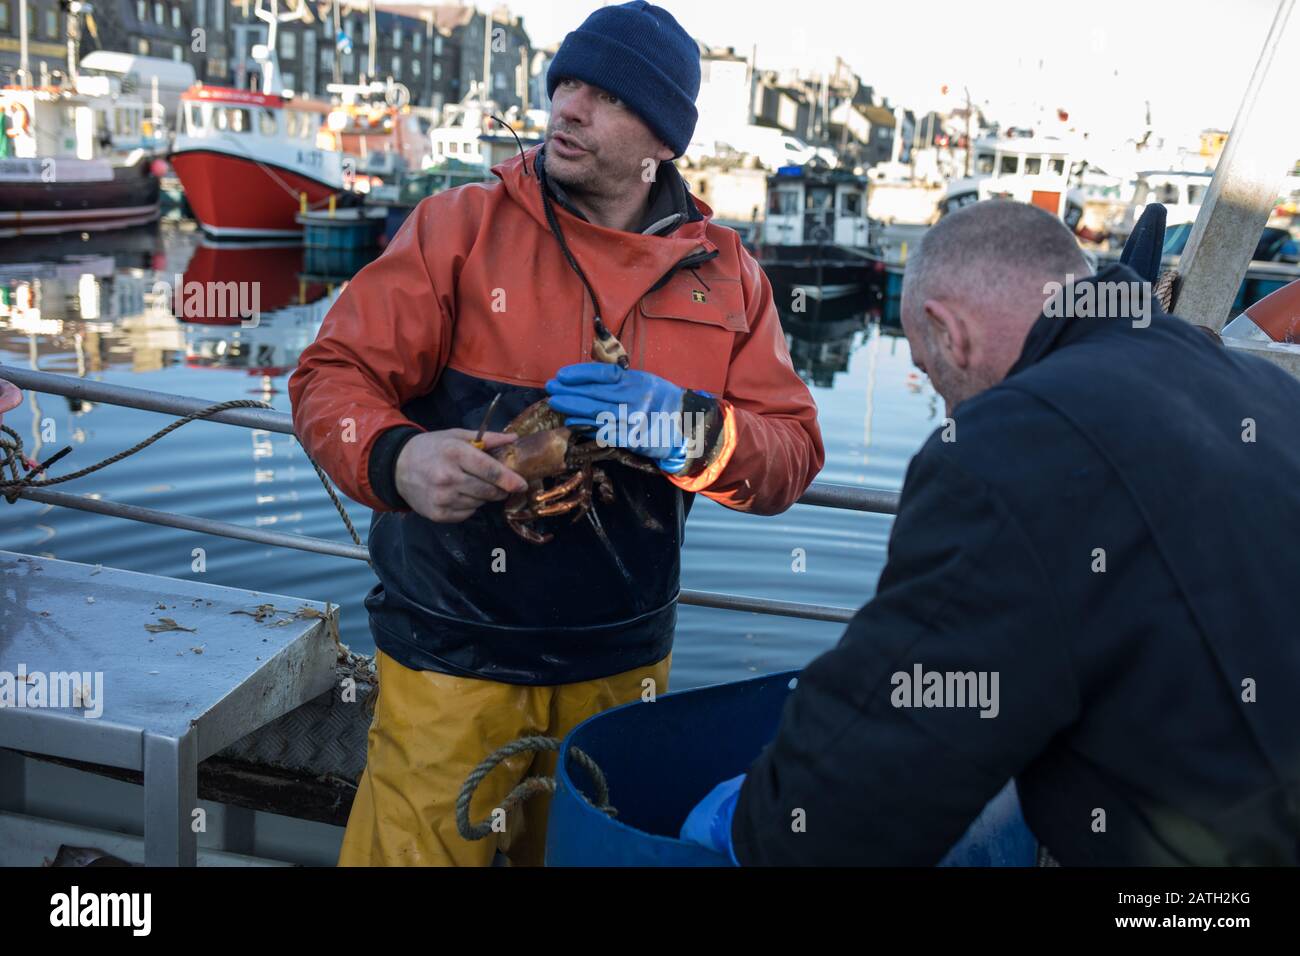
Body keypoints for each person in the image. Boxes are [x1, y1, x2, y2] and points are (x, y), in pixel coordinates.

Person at [289, 0, 824, 866]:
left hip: (622, 670)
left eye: (606, 95)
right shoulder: (455, 227)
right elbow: (328, 376)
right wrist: (399, 457)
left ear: (663, 139)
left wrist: (686, 428)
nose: (567, 106)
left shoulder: (726, 275)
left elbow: (792, 454)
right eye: (566, 81)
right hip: (448, 654)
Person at [682, 200, 1300, 866]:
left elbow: (878, 768)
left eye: (929, 368)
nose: (947, 408)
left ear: (950, 333)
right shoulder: (1265, 391)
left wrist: (761, 826)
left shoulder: (1014, 447)